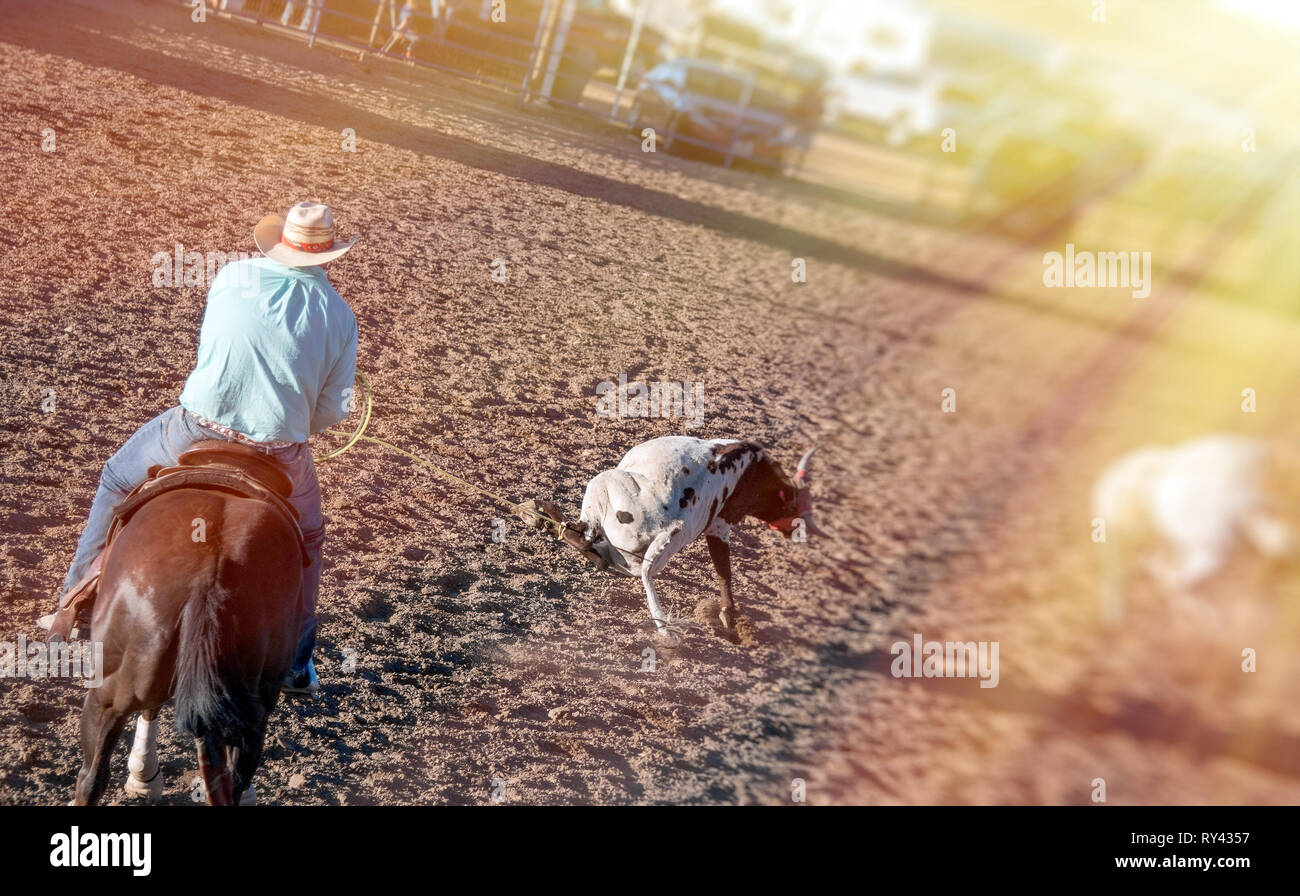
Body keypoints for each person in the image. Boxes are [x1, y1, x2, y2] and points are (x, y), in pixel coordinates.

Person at [43, 202, 359, 696]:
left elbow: (216, 347)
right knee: (310, 539)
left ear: (281, 243)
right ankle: (297, 661)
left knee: (116, 479)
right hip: (278, 450)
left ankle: (72, 602)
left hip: (193, 428)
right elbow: (332, 411)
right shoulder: (341, 316)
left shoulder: (233, 277)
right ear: (329, 256)